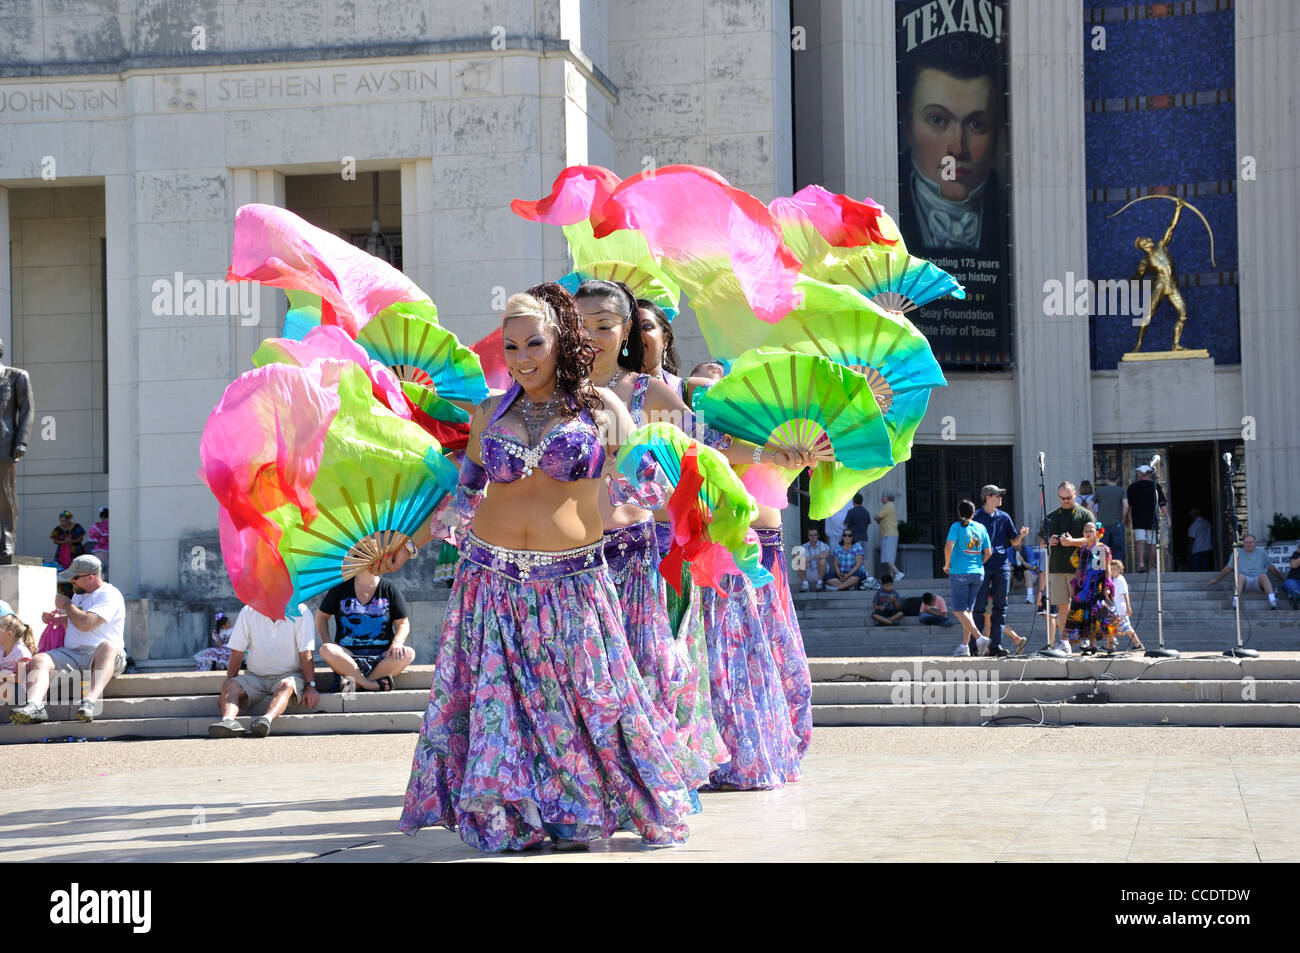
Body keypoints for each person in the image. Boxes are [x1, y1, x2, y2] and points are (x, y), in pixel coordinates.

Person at [384, 283, 693, 852]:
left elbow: (652, 480)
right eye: (511, 347)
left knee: (591, 702)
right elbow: (464, 500)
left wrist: (638, 511)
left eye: (533, 344)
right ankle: (512, 819)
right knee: (501, 707)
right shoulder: (488, 413)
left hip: (573, 580)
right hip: (491, 581)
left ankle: (585, 812)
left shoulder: (603, 409)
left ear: (561, 341)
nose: (522, 358)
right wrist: (405, 546)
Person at [897, 42, 1004, 255]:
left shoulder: (1011, 216)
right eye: (937, 119)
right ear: (908, 127)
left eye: (976, 125)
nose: (957, 148)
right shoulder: (885, 211)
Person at [8, 554, 126, 724]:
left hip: (102, 656)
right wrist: (60, 619)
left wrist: (66, 605)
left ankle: (89, 702)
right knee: (40, 659)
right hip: (73, 654)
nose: (71, 581)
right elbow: (80, 619)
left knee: (108, 646)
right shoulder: (80, 592)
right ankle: (34, 706)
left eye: (75, 577)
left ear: (91, 577)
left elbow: (87, 623)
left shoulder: (110, 594)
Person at [208, 603, 318, 738]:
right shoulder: (248, 611)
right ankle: (228, 721)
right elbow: (237, 652)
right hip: (255, 676)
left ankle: (266, 720)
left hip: (289, 674)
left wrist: (310, 686)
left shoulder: (301, 611)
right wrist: (226, 689)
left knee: (287, 685)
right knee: (230, 685)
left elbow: (306, 652)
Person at [316, 569, 414, 693]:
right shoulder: (341, 587)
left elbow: (403, 623)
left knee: (409, 653)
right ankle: (370, 684)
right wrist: (328, 641)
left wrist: (397, 642)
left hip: (382, 658)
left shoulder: (389, 588)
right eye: (358, 556)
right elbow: (321, 616)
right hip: (348, 657)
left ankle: (356, 684)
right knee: (326, 649)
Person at [971, 484, 1028, 658]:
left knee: (1000, 608)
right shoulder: (976, 517)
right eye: (998, 495)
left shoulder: (1004, 517)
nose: (1001, 497)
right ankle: (975, 646)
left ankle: (996, 646)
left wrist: (1022, 536)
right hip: (982, 566)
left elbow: (1013, 542)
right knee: (978, 608)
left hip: (1002, 566)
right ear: (988, 497)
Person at [1040, 482, 1096, 648]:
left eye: (1068, 498)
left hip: (1080, 568)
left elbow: (1092, 540)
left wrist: (1072, 542)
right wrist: (1049, 542)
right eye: (1061, 498)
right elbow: (1042, 540)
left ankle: (1084, 637)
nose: (1064, 501)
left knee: (1081, 604)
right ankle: (1064, 641)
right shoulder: (1051, 515)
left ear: (1075, 494)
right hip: (1057, 567)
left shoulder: (1085, 514)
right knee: (1062, 606)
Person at [0, 338, 35, 564]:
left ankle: (6, 543)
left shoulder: (16, 376)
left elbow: (27, 411)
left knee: (5, 494)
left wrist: (21, 441)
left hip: (4, 444)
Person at [943, 500, 992, 656]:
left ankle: (979, 638)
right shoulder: (981, 527)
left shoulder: (956, 527)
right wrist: (979, 564)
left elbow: (949, 546)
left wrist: (947, 563)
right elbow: (989, 553)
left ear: (959, 512)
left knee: (958, 610)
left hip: (959, 571)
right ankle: (965, 647)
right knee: (968, 611)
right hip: (978, 573)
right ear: (973, 513)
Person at [1061, 522, 1113, 655]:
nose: (1088, 533)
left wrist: (1107, 587)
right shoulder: (1083, 549)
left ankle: (1110, 643)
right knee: (1086, 616)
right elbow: (1080, 568)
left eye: (1091, 530)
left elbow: (1106, 570)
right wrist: (1074, 584)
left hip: (1097, 586)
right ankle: (1091, 645)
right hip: (1084, 587)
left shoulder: (1101, 549)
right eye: (1085, 531)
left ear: (1097, 533)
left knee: (1098, 615)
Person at [1207, 534, 1280, 609]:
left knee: (1263, 576)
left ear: (1255, 543)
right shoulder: (1237, 553)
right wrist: (1217, 580)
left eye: (1251, 542)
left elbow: (1271, 568)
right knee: (1241, 576)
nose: (1249, 544)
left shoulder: (1262, 553)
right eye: (1247, 542)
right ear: (1243, 543)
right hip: (1244, 582)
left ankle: (1273, 601)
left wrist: (1282, 579)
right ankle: (1235, 601)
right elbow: (1228, 568)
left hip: (1258, 581)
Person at [1125, 464, 1168, 573]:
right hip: (1152, 518)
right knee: (1152, 542)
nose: (1137, 474)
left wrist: (1125, 517)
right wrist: (1168, 517)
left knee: (1140, 541)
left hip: (1138, 518)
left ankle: (1141, 563)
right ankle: (1151, 566)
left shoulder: (1133, 487)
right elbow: (1162, 503)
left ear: (1141, 473)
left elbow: (1127, 505)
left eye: (1138, 472)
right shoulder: (1155, 486)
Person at [637, 299, 683, 398]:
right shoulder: (602, 394)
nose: (637, 334)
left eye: (646, 327)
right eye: (630, 330)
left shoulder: (692, 392)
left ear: (666, 337)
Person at [1106, 560, 1144, 651]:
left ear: (1120, 569)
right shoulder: (1114, 580)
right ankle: (1111, 644)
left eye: (1115, 568)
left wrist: (1128, 607)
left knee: (1126, 627)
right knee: (1113, 626)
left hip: (1121, 608)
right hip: (1115, 608)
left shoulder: (1120, 580)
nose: (1113, 570)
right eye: (1111, 569)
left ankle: (1137, 644)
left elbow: (1125, 594)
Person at [0, 602, 34, 704]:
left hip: (18, 690)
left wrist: (2, 677)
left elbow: (20, 677)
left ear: (9, 634)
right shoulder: (2, 650)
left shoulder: (20, 652)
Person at [1092, 471, 1128, 565]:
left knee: (1101, 548)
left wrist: (1097, 517)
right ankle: (1117, 570)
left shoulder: (1100, 491)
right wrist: (1123, 517)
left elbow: (1089, 506)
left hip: (1101, 524)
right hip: (1117, 523)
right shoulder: (1121, 490)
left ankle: (1102, 571)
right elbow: (1126, 505)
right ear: (1118, 479)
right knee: (1118, 550)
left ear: (1107, 479)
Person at [875, 491, 902, 581]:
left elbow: (877, 517)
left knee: (887, 558)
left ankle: (898, 573)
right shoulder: (891, 506)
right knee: (890, 558)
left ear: (886, 498)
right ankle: (891, 577)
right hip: (892, 534)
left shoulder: (888, 506)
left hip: (888, 535)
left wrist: (877, 519)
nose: (881, 498)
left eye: (882, 496)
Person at [796, 527, 830, 592]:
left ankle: (820, 583)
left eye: (815, 535)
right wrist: (817, 556)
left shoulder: (824, 545)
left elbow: (825, 555)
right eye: (811, 535)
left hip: (820, 572)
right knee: (800, 562)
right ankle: (804, 583)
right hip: (807, 571)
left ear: (818, 536)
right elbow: (798, 559)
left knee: (822, 561)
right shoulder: (803, 547)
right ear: (808, 536)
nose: (813, 537)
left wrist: (809, 558)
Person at [86, 508, 109, 578]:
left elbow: (92, 537)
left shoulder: (98, 526)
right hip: (112, 549)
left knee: (100, 569)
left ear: (102, 517)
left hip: (100, 550)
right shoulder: (115, 525)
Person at [1281, 545, 1300, 610]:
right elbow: (1293, 565)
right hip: (1292, 580)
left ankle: (1294, 597)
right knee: (1289, 585)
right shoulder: (1296, 554)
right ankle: (1295, 596)